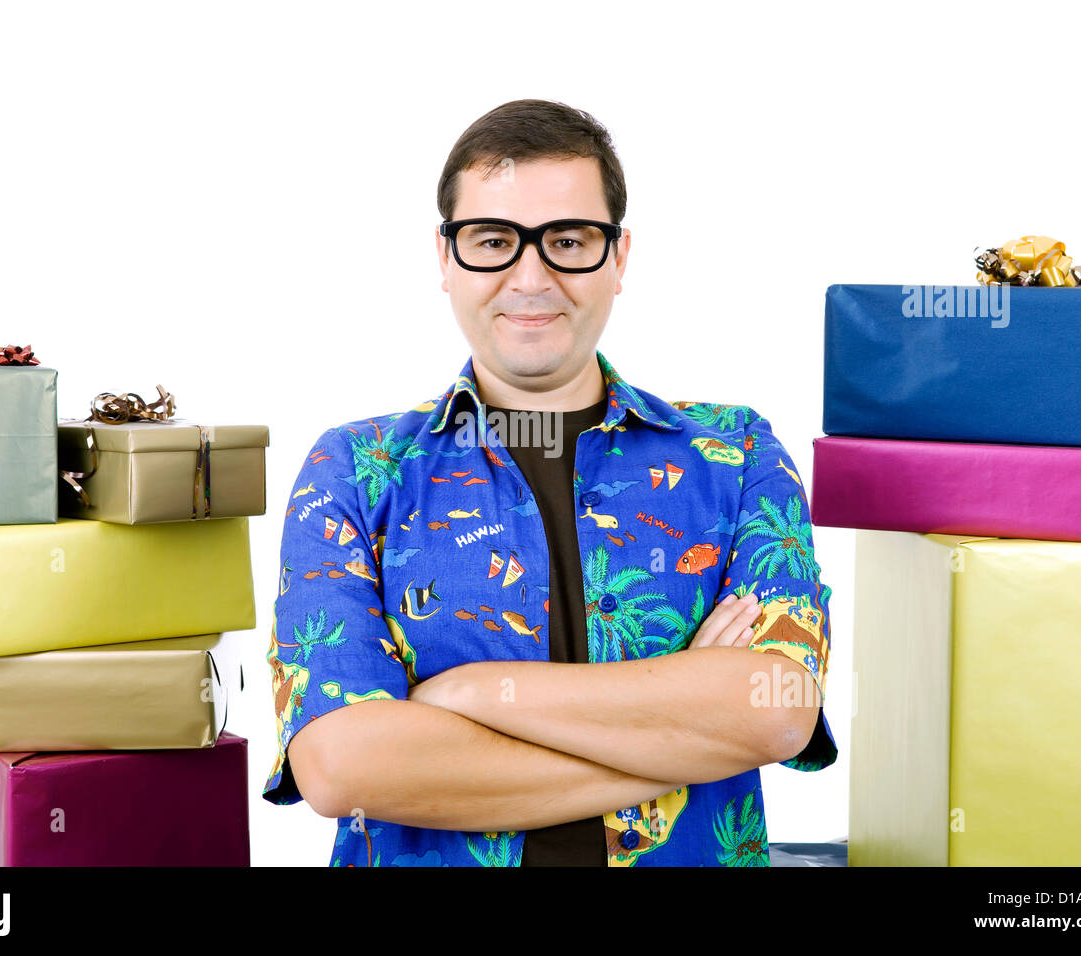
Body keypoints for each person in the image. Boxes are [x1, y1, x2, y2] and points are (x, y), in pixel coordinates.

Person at [262, 98, 836, 866]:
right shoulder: (355, 473)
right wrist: (683, 724)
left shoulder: (736, 456)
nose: (530, 277)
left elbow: (778, 710)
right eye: (493, 241)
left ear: (619, 256)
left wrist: (467, 695)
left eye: (568, 240)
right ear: (445, 258)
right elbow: (341, 767)